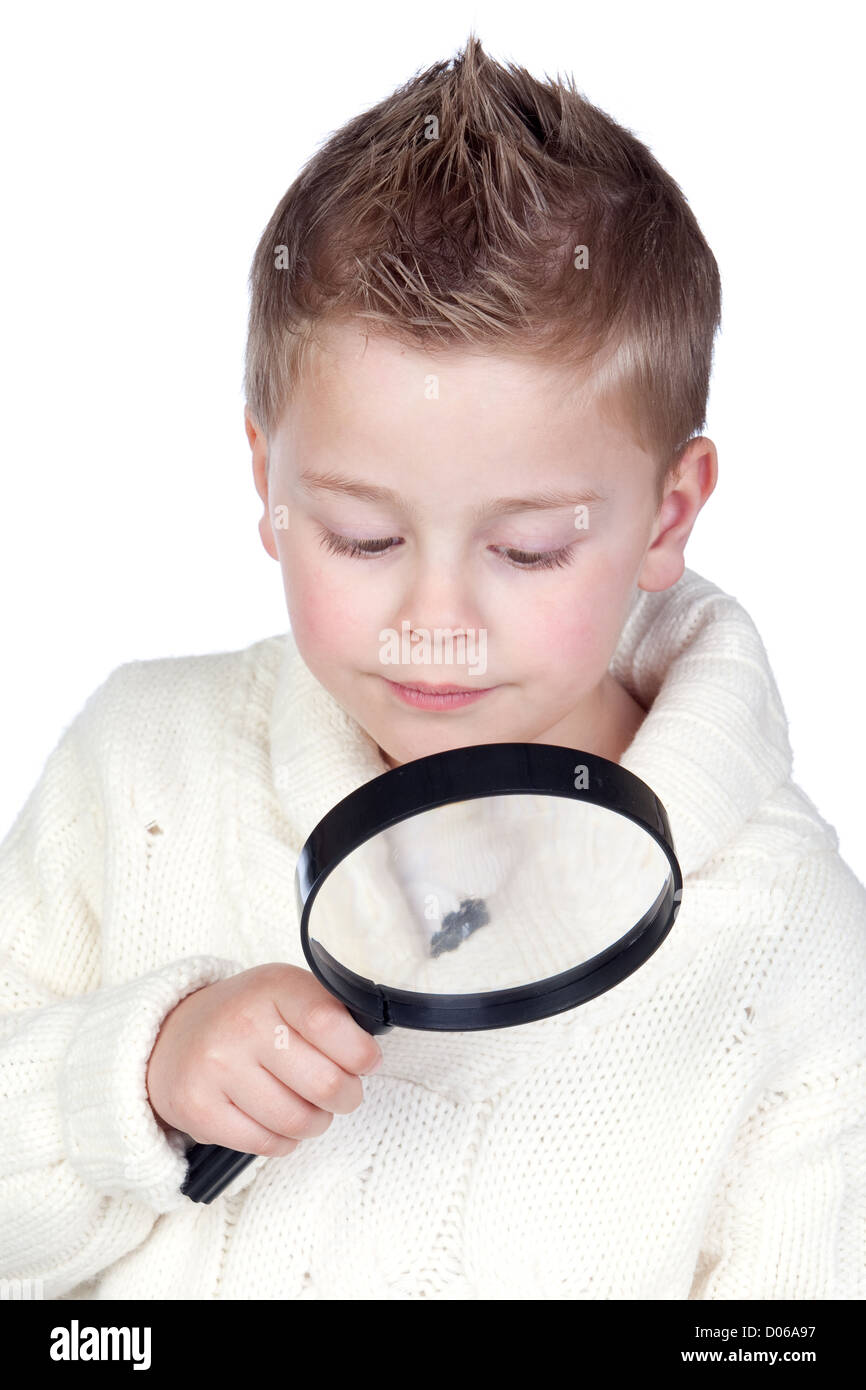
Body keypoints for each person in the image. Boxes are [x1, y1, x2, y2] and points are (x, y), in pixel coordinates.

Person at [1, 32, 863, 1300]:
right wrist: (137, 1075)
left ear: (666, 516)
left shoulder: (794, 947)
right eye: (362, 535)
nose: (435, 619)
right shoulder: (140, 763)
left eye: (525, 549)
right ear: (267, 482)